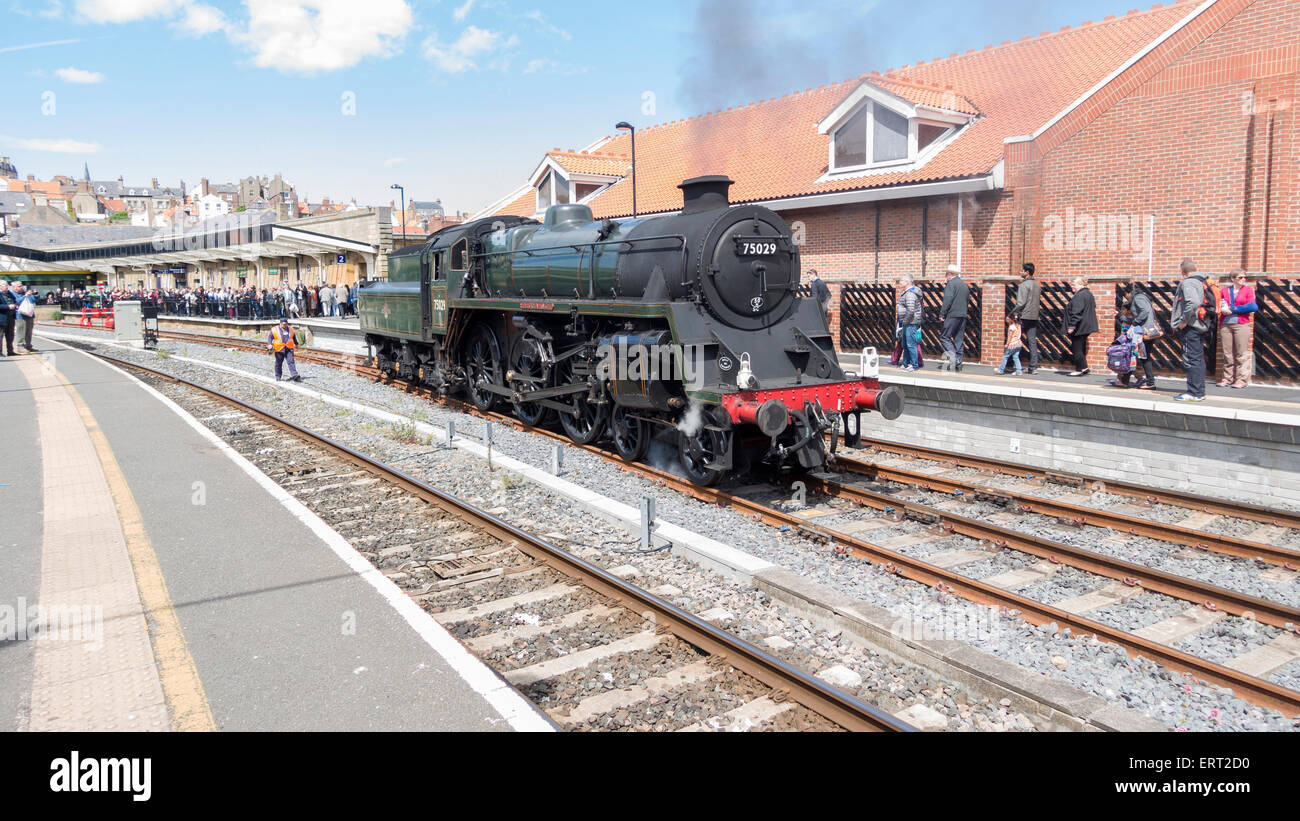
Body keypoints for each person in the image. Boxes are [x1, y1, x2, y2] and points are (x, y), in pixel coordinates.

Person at [1170, 258, 1210, 401]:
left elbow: (1192, 303)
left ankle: (1194, 392)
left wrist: (1183, 322)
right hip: (1201, 325)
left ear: (1182, 271)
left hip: (1191, 327)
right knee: (1198, 358)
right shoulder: (1203, 281)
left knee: (1191, 359)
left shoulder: (1188, 282)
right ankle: (1199, 391)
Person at [1217, 268, 1257, 389]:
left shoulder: (1248, 290)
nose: (1243, 279)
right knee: (1228, 353)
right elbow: (1219, 304)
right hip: (1226, 324)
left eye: (1244, 277)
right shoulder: (1224, 290)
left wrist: (1234, 309)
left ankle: (1241, 379)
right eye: (1240, 277)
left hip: (1241, 324)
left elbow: (1253, 306)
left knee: (1241, 353)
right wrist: (1223, 309)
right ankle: (1227, 378)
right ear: (1233, 279)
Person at [1113, 279, 1157, 389]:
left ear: (1129, 292)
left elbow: (1145, 312)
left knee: (1133, 354)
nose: (1126, 297)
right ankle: (1148, 382)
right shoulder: (1142, 297)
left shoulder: (1138, 298)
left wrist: (1135, 322)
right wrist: (1120, 316)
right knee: (1141, 356)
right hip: (1145, 331)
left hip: (1142, 332)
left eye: (1126, 295)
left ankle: (1126, 381)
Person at [1061, 276, 1097, 377]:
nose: (1072, 287)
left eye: (1074, 285)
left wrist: (1072, 326)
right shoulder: (1088, 294)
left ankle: (1080, 369)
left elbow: (1076, 312)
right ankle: (1084, 367)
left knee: (1076, 348)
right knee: (1081, 348)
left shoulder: (1080, 295)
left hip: (1080, 326)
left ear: (1080, 285)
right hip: (1086, 326)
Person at [1011, 262, 1042, 374]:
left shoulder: (1024, 285)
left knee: (1014, 338)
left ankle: (1012, 364)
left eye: (1022, 270)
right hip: (1033, 316)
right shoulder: (1037, 285)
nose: (1020, 272)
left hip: (1023, 316)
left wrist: (1012, 313)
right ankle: (1033, 367)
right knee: (1032, 340)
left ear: (1027, 272)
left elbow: (1020, 303)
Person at [938, 264, 968, 372]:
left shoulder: (951, 284)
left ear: (950, 274)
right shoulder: (964, 284)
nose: (946, 276)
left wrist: (942, 314)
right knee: (958, 339)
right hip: (962, 315)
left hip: (952, 315)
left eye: (946, 274)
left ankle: (954, 358)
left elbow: (947, 300)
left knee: (944, 337)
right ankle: (959, 363)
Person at [895, 275, 923, 372]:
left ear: (907, 282)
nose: (900, 282)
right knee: (905, 344)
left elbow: (911, 310)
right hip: (907, 322)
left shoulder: (910, 294)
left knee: (911, 344)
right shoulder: (907, 293)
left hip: (911, 322)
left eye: (902, 280)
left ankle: (914, 365)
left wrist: (905, 321)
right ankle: (906, 363)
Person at [16, 284, 37, 351]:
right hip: (20, 315)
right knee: (21, 331)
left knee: (29, 331)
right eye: (19, 286)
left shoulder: (25, 292)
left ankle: (28, 345)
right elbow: (16, 301)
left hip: (30, 314)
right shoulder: (13, 293)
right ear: (14, 287)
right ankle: (20, 346)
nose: (21, 287)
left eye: (21, 285)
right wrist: (25, 296)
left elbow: (33, 300)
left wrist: (36, 295)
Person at [0, 281, 17, 356]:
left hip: (11, 317)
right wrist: (8, 306)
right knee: (0, 336)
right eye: (5, 285)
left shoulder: (10, 293)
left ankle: (10, 351)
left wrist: (15, 305)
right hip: (2, 318)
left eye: (7, 285)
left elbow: (15, 301)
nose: (6, 286)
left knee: (10, 335)